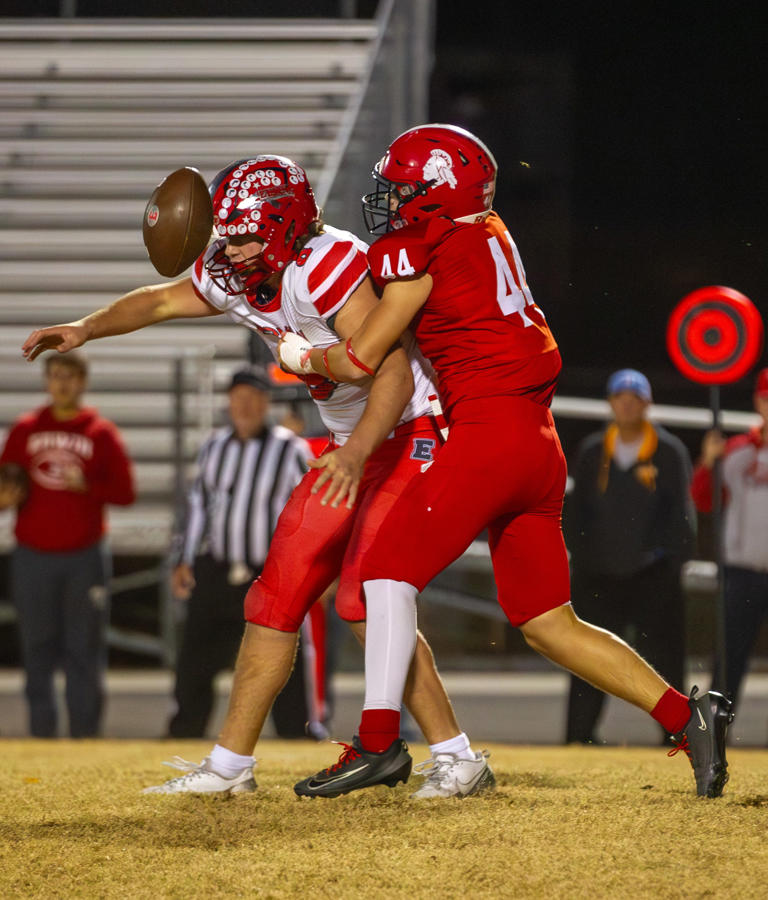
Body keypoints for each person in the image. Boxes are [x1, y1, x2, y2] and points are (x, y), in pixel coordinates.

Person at [279, 124, 733, 798]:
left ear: (436, 192)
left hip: (490, 435)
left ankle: (377, 744)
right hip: (537, 443)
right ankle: (687, 715)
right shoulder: (487, 227)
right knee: (549, 622)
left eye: (403, 189)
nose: (390, 200)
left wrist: (300, 357)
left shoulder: (418, 248)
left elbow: (363, 356)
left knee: (382, 574)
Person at [22, 154, 493, 799]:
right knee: (274, 596)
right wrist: (86, 328)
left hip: (407, 432)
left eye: (244, 234)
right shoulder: (238, 267)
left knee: (362, 597)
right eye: (228, 233)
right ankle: (229, 765)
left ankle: (455, 755)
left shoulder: (327, 265)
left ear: (284, 225)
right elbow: (162, 299)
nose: (231, 248)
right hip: (349, 442)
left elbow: (386, 368)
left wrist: (354, 452)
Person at [168, 365, 327, 741]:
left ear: (266, 402)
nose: (246, 404)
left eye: (254, 397)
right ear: (229, 402)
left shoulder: (289, 448)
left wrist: (311, 564)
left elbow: (308, 508)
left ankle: (298, 731)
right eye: (239, 396)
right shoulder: (214, 445)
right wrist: (184, 558)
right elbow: (198, 506)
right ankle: (184, 730)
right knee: (195, 657)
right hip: (217, 566)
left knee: (283, 652)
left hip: (268, 571)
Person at [0, 352, 135, 737]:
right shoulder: (25, 429)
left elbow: (125, 493)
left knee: (83, 650)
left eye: (69, 376)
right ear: (46, 381)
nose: (61, 383)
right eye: (55, 376)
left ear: (82, 382)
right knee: (36, 649)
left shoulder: (101, 433)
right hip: (32, 556)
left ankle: (85, 738)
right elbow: (5, 486)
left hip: (83, 557)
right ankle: (42, 738)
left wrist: (88, 487)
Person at [564, 368, 695, 744]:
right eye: (620, 397)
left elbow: (681, 516)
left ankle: (680, 738)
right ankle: (578, 738)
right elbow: (577, 513)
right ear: (609, 402)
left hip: (652, 575)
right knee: (589, 661)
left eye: (634, 398)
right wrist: (583, 558)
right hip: (598, 577)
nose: (626, 404)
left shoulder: (668, 451)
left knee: (665, 661)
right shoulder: (592, 451)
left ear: (647, 403)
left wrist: (670, 562)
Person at [691, 366, 768, 713]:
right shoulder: (736, 450)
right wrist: (708, 464)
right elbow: (704, 501)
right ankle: (714, 740)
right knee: (728, 658)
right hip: (740, 571)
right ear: (758, 402)